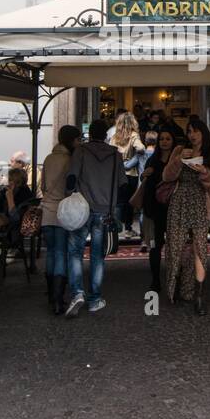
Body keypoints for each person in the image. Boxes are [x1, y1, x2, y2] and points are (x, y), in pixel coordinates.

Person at [161, 116, 210, 314]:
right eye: (189, 131)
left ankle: (198, 296)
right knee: (175, 246)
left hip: (200, 204)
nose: (192, 135)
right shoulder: (179, 150)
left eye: (195, 131)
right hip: (179, 203)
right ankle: (173, 289)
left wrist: (204, 172)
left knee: (200, 249)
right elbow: (166, 177)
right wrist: (178, 160)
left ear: (203, 132)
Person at [64, 119, 121, 317]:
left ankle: (77, 293)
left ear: (89, 134)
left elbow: (71, 178)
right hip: (104, 211)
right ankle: (95, 299)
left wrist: (68, 195)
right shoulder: (115, 154)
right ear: (106, 134)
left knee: (75, 251)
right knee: (98, 255)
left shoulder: (80, 151)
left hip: (82, 209)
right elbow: (122, 183)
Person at [40, 125, 82, 315]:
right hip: (62, 212)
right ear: (71, 140)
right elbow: (71, 187)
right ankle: (58, 299)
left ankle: (50, 295)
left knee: (50, 252)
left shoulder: (48, 159)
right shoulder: (70, 160)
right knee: (61, 253)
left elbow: (42, 185)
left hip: (46, 212)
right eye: (77, 139)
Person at [141, 128, 177, 291]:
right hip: (156, 209)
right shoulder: (152, 159)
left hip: (174, 208)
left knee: (174, 245)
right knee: (155, 246)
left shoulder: (177, 161)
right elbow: (145, 183)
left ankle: (174, 279)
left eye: (168, 139)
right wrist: (144, 174)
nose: (164, 142)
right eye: (162, 139)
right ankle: (155, 280)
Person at [111, 111, 143, 240]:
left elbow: (110, 151)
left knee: (119, 202)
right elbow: (141, 148)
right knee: (129, 202)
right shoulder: (134, 135)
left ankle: (117, 229)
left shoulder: (115, 136)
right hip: (131, 174)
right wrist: (130, 161)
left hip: (118, 173)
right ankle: (128, 229)